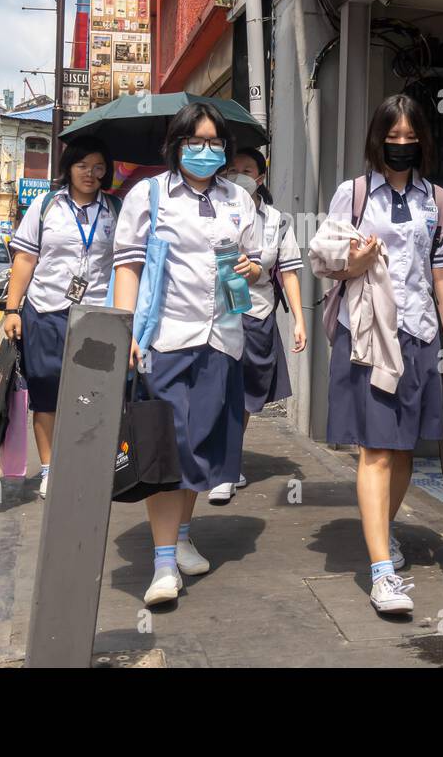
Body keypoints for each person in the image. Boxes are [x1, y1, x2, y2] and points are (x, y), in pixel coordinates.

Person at [111, 102, 266, 607]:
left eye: (213, 143)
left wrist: (251, 271)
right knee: (165, 447)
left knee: (198, 445)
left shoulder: (237, 200)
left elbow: (258, 263)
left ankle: (180, 535)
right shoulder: (148, 196)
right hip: (165, 341)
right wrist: (125, 330)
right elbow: (128, 265)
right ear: (176, 146)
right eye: (194, 142)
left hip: (222, 339)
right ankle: (160, 563)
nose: (204, 151)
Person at [318, 93, 443, 615]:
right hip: (369, 336)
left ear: (422, 142)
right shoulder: (354, 195)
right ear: (376, 140)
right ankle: (382, 573)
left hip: (420, 335)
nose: (400, 146)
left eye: (410, 138)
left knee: (403, 450)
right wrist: (355, 259)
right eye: (391, 137)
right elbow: (328, 263)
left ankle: (382, 529)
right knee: (375, 449)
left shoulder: (438, 201)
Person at [3, 135, 119, 500]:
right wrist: (11, 308)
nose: (90, 173)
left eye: (98, 167)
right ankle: (51, 468)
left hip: (97, 316)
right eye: (82, 165)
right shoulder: (46, 204)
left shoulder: (116, 209)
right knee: (47, 393)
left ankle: (88, 462)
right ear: (68, 167)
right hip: (46, 311)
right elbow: (25, 259)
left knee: (94, 393)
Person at [209, 147, 306, 503]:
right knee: (220, 391)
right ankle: (224, 464)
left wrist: (299, 320)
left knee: (244, 396)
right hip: (213, 313)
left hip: (257, 313)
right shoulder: (213, 211)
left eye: (246, 169)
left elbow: (289, 270)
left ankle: (228, 464)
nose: (238, 174)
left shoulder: (278, 221)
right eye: (232, 169)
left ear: (260, 177)